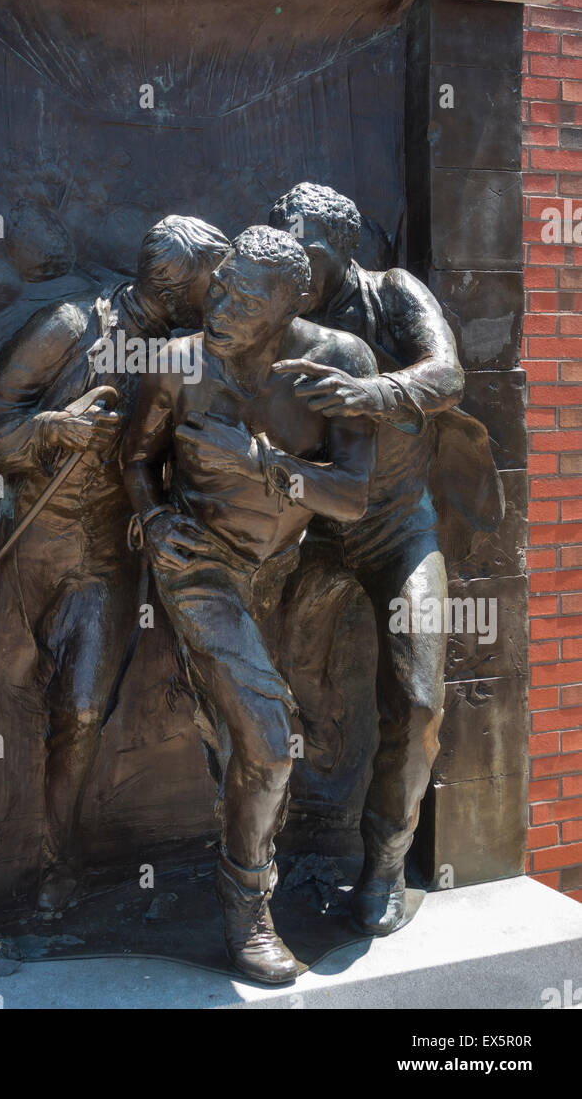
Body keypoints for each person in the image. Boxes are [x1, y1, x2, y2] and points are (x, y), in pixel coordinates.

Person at [121, 226, 377, 983]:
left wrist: (258, 461)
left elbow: (351, 498)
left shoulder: (339, 363)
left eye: (243, 296)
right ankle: (248, 918)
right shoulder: (175, 364)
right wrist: (156, 516)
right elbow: (136, 457)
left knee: (243, 739)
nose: (220, 304)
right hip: (200, 563)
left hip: (284, 568)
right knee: (268, 739)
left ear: (291, 302)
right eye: (219, 285)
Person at [0, 215, 230, 911]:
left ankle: (59, 861)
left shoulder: (191, 351)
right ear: (172, 284)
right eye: (213, 281)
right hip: (34, 545)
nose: (224, 293)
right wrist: (54, 428)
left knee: (85, 708)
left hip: (109, 554)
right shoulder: (69, 325)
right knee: (8, 690)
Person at [268, 181, 475, 936]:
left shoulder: (391, 293)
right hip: (307, 528)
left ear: (341, 249)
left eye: (309, 255)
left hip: (397, 528)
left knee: (418, 701)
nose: (297, 270)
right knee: (267, 690)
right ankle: (266, 854)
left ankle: (385, 863)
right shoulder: (273, 308)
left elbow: (447, 376)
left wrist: (370, 391)